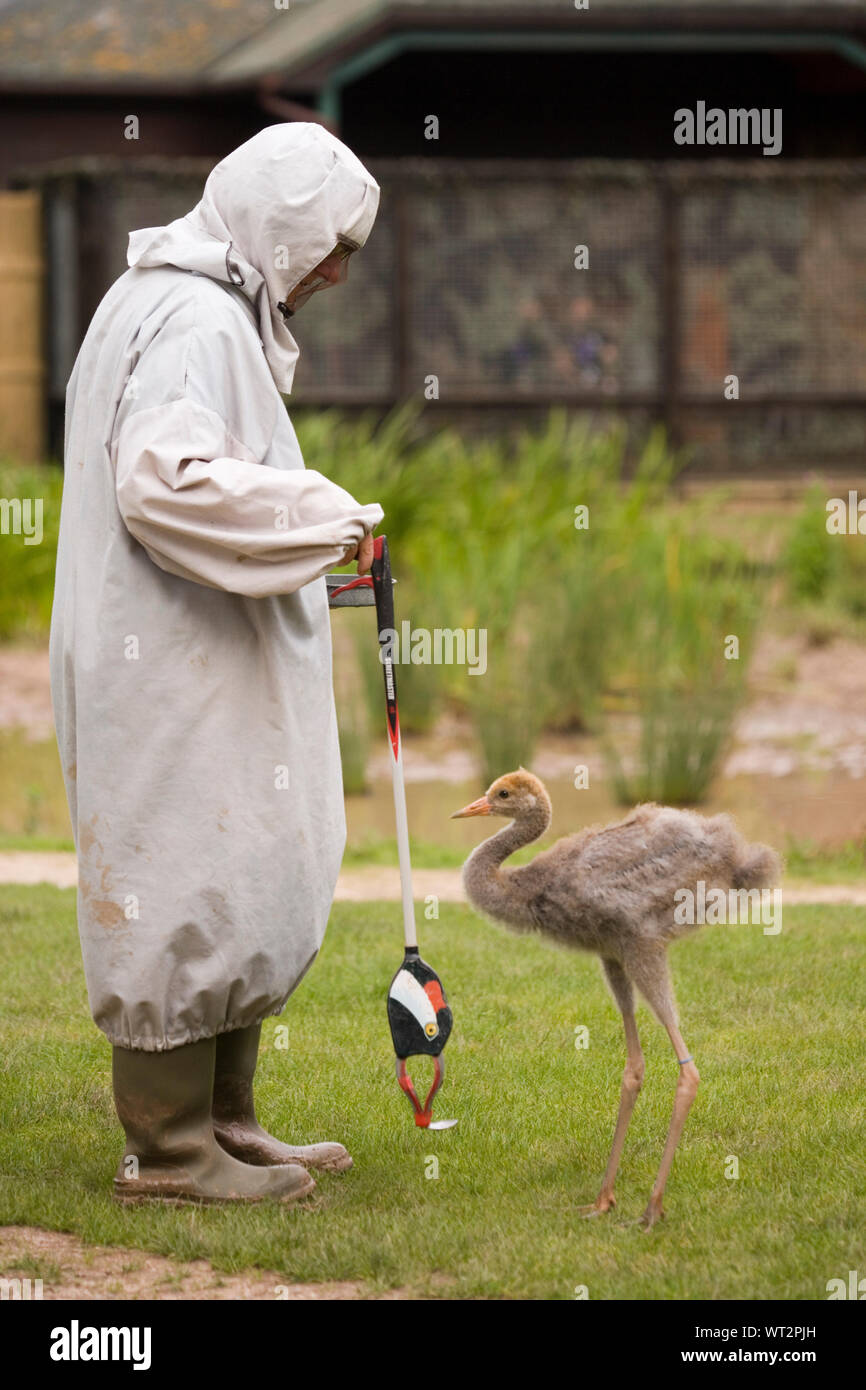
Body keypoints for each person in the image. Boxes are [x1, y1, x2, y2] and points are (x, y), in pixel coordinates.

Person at [49, 123, 384, 1204]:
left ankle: (223, 1122)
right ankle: (169, 1149)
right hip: (171, 665)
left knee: (233, 863)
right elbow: (166, 483)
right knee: (183, 871)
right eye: (329, 244)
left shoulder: (168, 300)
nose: (336, 269)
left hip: (191, 657)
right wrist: (321, 513)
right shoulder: (193, 318)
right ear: (279, 226)